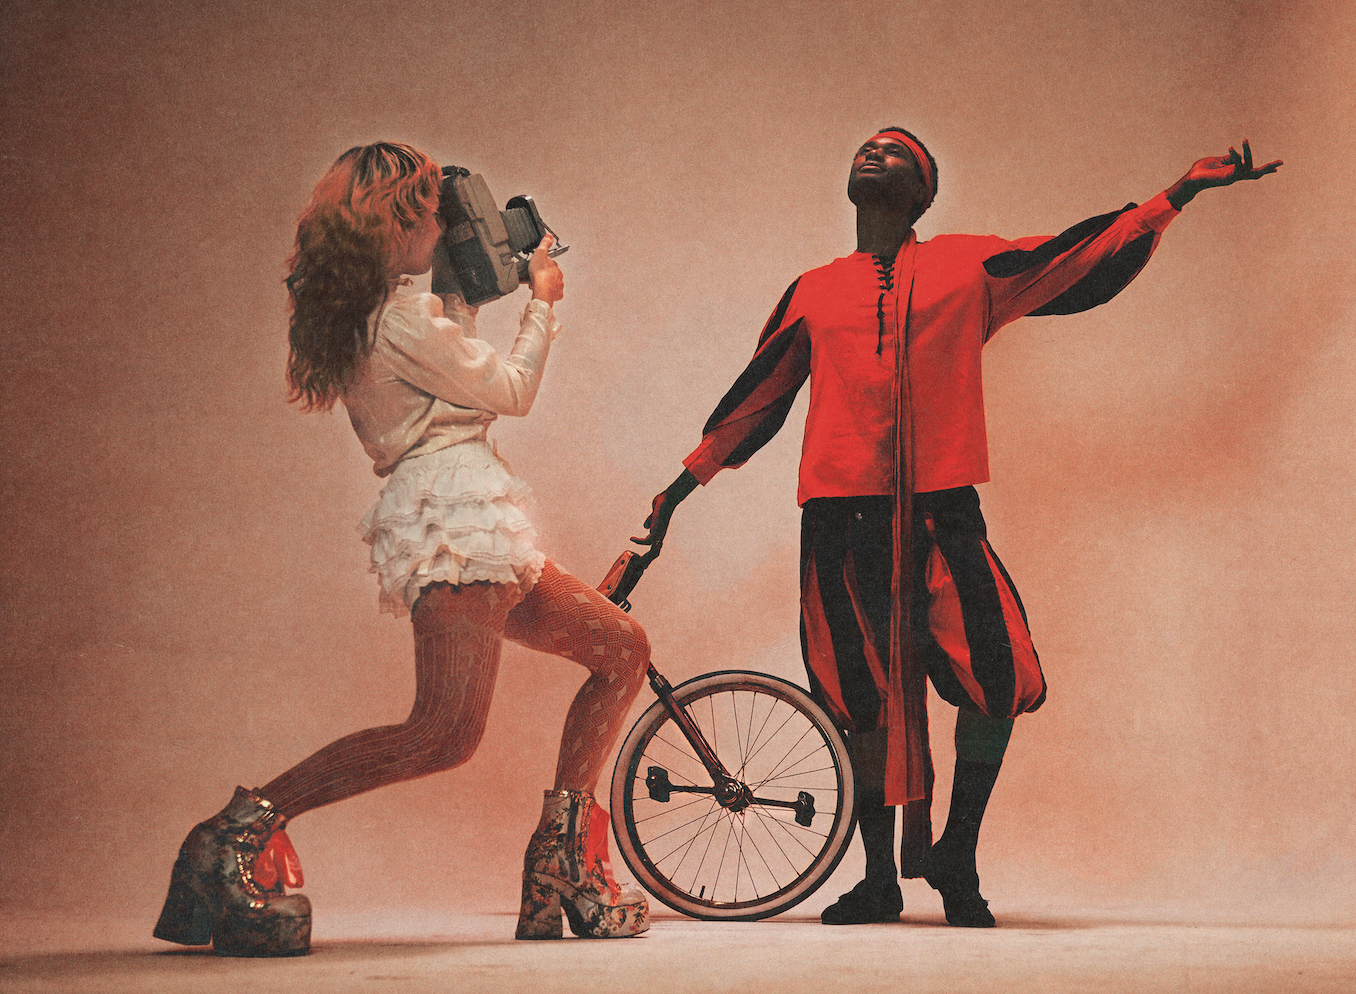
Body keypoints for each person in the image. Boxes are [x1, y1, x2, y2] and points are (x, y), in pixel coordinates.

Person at [634, 129, 1281, 928]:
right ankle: (878, 879)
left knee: (998, 673)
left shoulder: (969, 268)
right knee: (861, 698)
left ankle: (957, 852)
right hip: (840, 517)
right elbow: (756, 397)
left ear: (923, 194)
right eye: (867, 148)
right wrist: (678, 489)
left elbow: (1074, 258)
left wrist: (1176, 194)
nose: (875, 153)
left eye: (897, 152)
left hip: (942, 510)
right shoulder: (813, 290)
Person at [153, 142, 650, 956]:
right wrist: (543, 302)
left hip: (471, 516)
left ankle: (559, 862)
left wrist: (461, 298)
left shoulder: (381, 316)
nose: (438, 228)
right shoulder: (399, 319)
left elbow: (452, 375)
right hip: (457, 520)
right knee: (442, 733)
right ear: (391, 225)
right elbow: (511, 390)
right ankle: (233, 835)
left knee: (621, 648)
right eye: (426, 216)